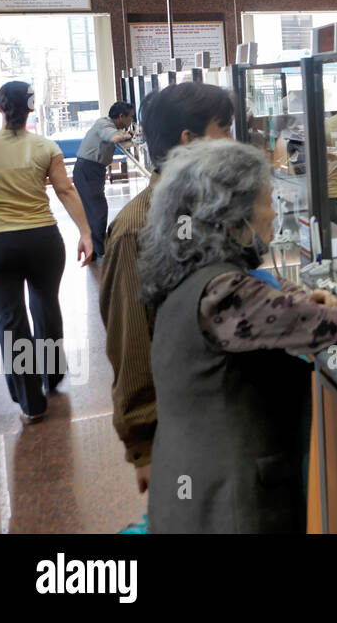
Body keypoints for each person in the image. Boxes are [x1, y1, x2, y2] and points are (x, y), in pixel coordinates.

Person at [139, 138, 337, 533]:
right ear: (233, 217)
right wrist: (320, 305)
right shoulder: (227, 294)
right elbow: (329, 326)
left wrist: (296, 298)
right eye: (267, 202)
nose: (274, 213)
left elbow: (273, 296)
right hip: (231, 502)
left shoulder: (190, 276)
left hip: (189, 486)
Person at [98, 82, 235, 494]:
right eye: (224, 129)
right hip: (182, 426)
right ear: (189, 141)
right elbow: (131, 341)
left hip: (225, 411)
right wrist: (144, 444)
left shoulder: (210, 209)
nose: (232, 141)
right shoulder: (139, 230)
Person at [0, 81, 94, 424]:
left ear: (0, 107)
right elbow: (65, 190)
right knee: (45, 305)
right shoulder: (46, 146)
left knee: (11, 320)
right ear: (31, 109)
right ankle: (51, 375)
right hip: (43, 241)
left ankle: (31, 403)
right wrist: (86, 233)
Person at [72, 100, 135, 259]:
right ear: (121, 116)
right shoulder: (104, 124)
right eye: (130, 117)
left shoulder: (109, 125)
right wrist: (128, 134)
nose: (131, 121)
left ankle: (94, 250)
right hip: (88, 170)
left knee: (93, 211)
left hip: (92, 170)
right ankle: (100, 250)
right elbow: (114, 138)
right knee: (98, 211)